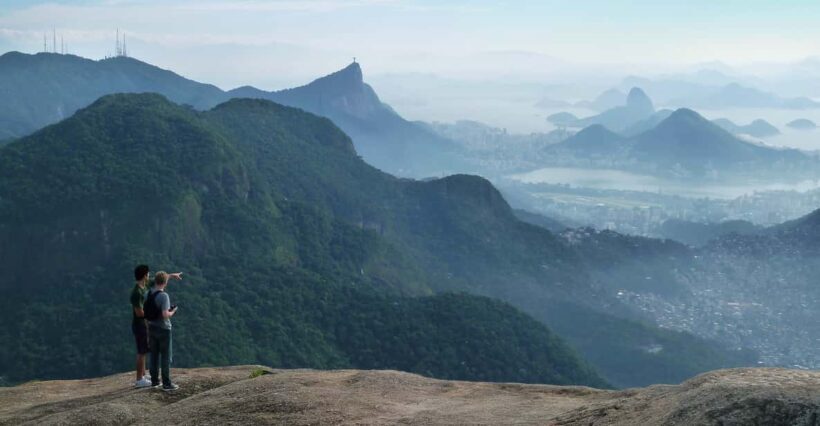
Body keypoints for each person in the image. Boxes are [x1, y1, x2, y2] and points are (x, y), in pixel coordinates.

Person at [147, 271, 181, 391]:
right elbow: (165, 315)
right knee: (166, 356)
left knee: (154, 355)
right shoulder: (163, 296)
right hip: (163, 328)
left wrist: (170, 276)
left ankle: (154, 381)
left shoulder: (149, 292)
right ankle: (166, 383)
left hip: (151, 327)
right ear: (165, 283)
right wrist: (173, 311)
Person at [130, 265, 152, 388]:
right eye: (148, 274)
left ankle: (143, 375)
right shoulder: (137, 292)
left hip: (143, 324)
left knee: (144, 350)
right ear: (144, 276)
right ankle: (139, 379)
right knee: (141, 352)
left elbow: (157, 280)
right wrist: (152, 314)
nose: (149, 276)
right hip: (139, 324)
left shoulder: (143, 287)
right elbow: (139, 313)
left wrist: (170, 276)